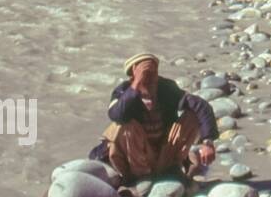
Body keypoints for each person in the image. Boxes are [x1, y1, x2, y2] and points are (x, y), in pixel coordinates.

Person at [89, 53, 217, 183]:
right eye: (146, 74)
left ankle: (172, 167)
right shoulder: (123, 91)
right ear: (133, 75)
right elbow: (116, 115)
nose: (151, 79)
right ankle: (142, 177)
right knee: (124, 126)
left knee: (191, 116)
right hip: (137, 158)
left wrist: (208, 142)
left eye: (153, 73)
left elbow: (200, 105)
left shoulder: (166, 88)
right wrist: (137, 85)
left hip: (164, 151)